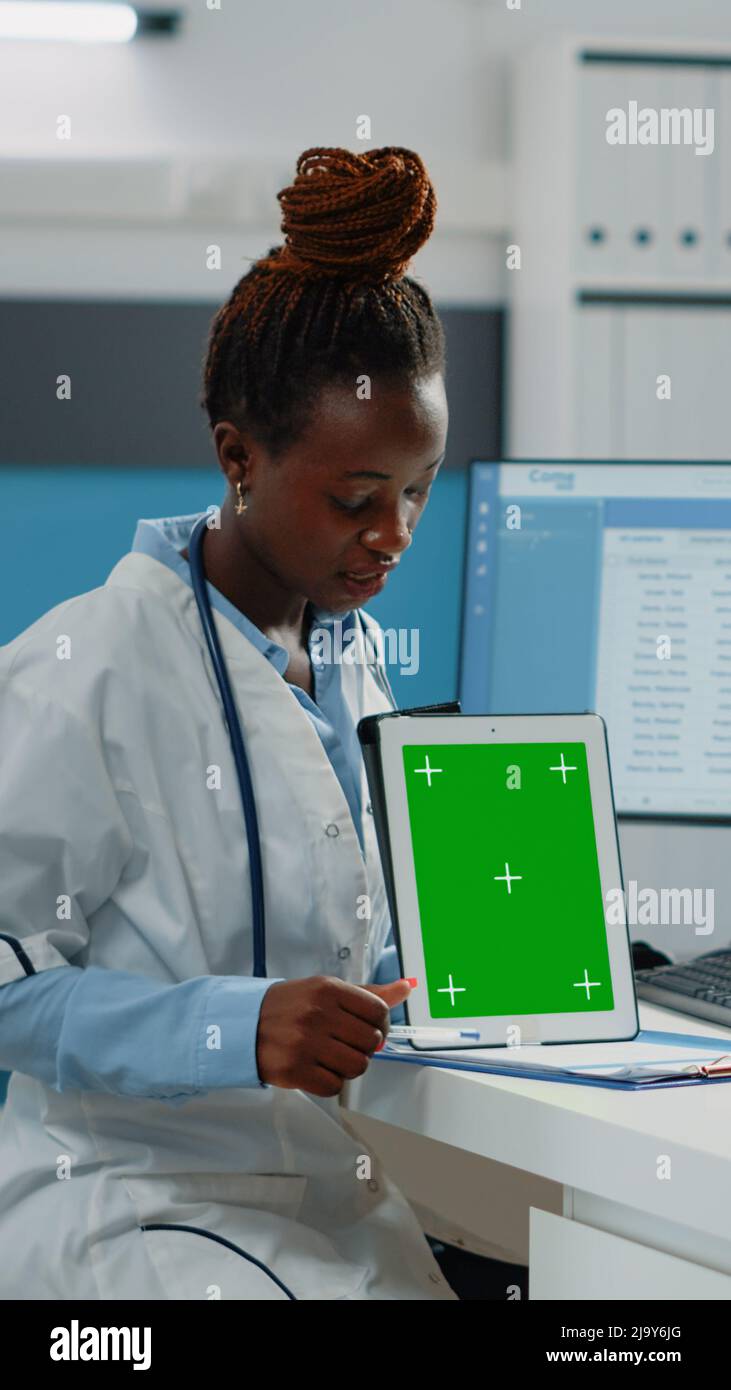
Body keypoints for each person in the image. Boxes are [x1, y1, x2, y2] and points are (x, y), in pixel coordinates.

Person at [0, 146, 456, 1300]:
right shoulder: (91, 663)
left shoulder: (344, 662)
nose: (393, 532)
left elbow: (340, 941)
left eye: (417, 487)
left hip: (329, 1195)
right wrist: (232, 1028)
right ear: (237, 457)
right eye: (356, 498)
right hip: (126, 1205)